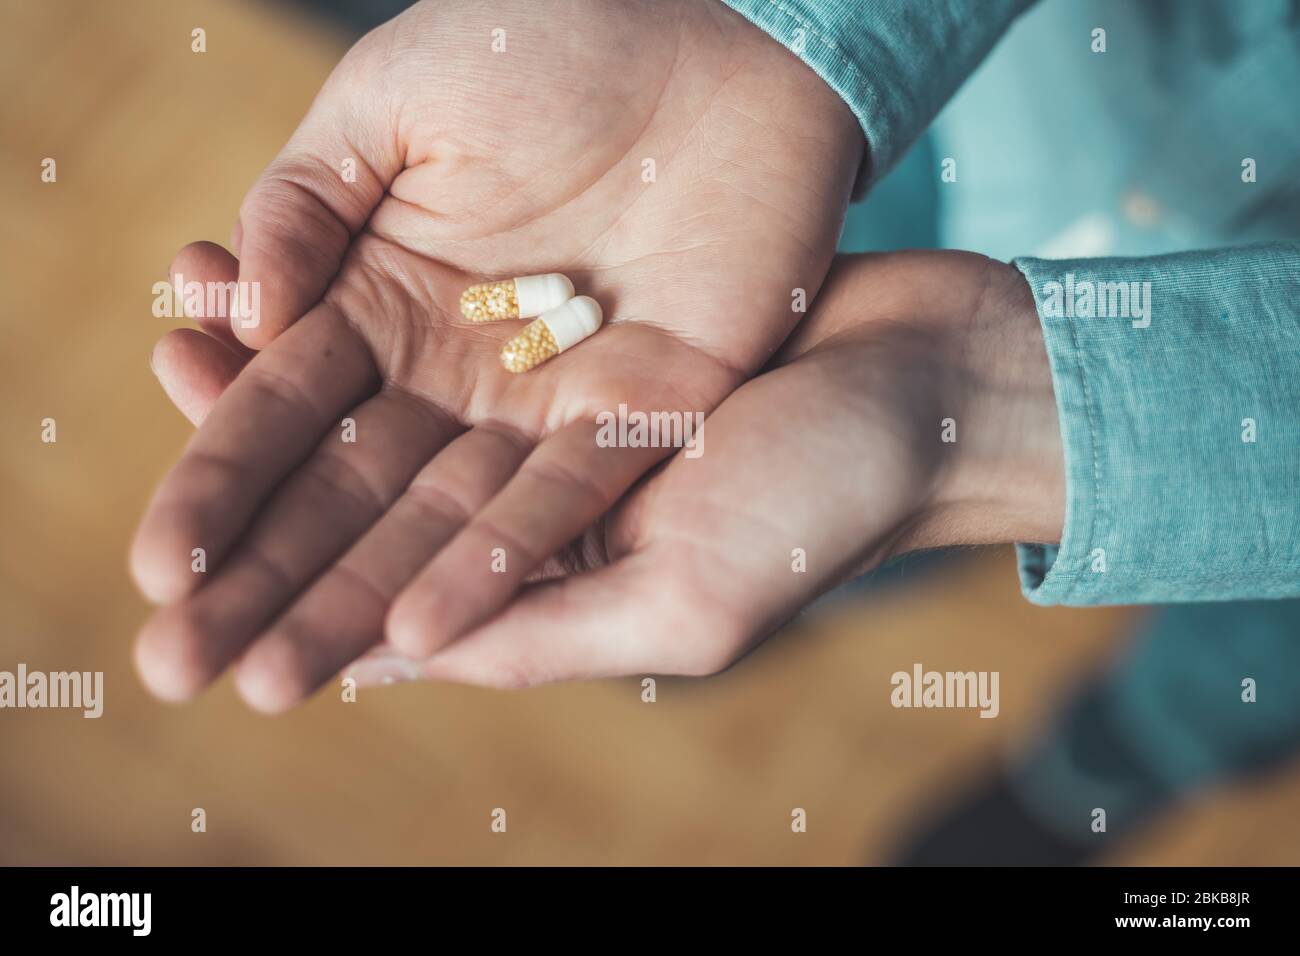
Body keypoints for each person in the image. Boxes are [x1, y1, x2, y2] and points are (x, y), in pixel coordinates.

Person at [132, 0, 1298, 841]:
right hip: (902, 119)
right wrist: (785, 34)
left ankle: (1128, 751)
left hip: (1196, 525)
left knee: (717, 528)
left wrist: (997, 414)